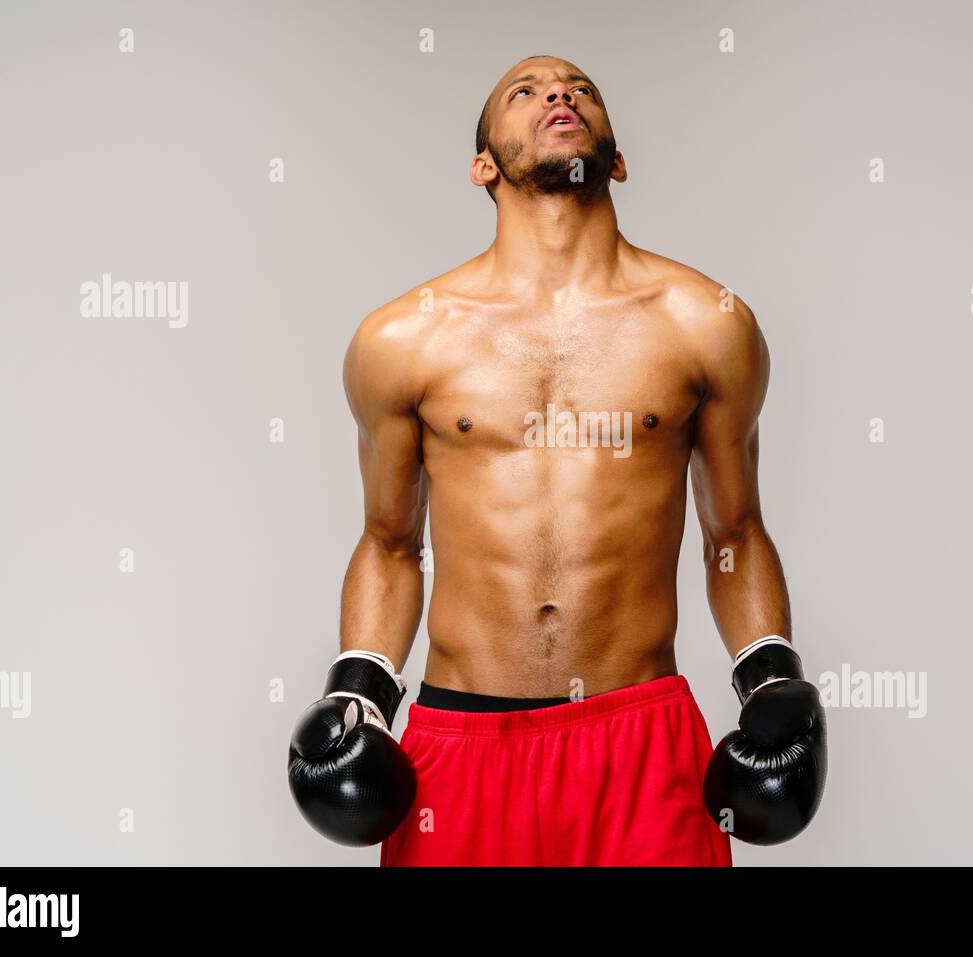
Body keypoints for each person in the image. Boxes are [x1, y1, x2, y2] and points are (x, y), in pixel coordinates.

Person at [287, 55, 827, 866]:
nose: (558, 94)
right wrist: (356, 695)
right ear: (482, 165)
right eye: (524, 91)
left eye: (580, 88)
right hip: (461, 749)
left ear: (616, 159)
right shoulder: (401, 341)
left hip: (640, 741)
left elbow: (737, 531)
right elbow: (390, 545)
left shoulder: (705, 325)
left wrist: (774, 682)